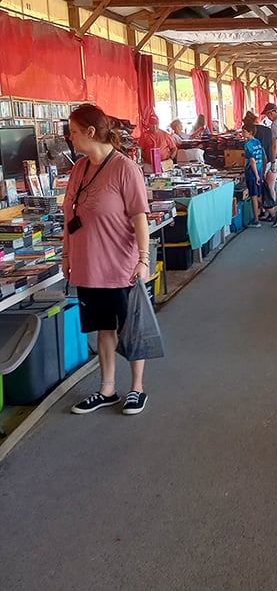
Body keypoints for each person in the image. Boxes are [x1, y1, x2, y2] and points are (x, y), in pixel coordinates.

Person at [63, 104, 151, 416]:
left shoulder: (125, 168)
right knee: (102, 329)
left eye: (74, 132)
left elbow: (140, 217)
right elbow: (68, 216)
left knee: (131, 328)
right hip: (89, 267)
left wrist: (143, 259)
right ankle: (107, 388)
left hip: (121, 267)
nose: (70, 138)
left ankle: (137, 387)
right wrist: (66, 254)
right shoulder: (79, 169)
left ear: (90, 132)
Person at [242, 122, 266, 228]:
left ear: (250, 132)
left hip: (252, 173)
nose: (242, 134)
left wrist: (256, 175)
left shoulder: (247, 145)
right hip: (260, 170)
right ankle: (267, 210)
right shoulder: (258, 142)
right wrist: (262, 171)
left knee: (253, 196)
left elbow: (251, 160)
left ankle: (256, 220)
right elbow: (264, 157)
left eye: (244, 132)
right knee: (258, 194)